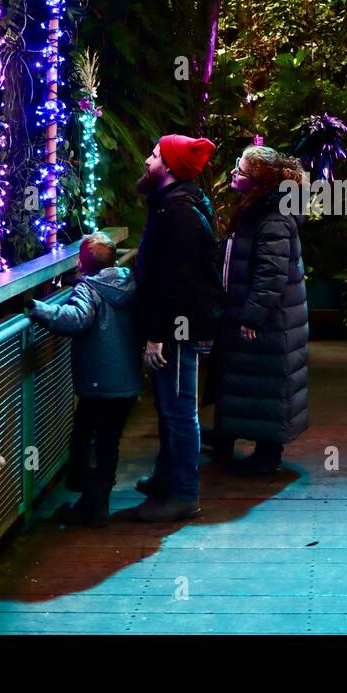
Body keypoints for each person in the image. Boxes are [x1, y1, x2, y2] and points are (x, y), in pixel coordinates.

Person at [131, 134, 224, 522]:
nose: (148, 161)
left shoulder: (179, 213)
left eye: (154, 156)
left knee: (181, 410)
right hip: (178, 325)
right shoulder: (173, 204)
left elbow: (175, 281)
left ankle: (185, 494)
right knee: (171, 407)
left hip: (178, 331)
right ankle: (166, 479)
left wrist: (157, 335)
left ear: (169, 168)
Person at [26, 232, 139, 528]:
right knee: (108, 442)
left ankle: (91, 497)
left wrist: (39, 309)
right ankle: (96, 501)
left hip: (97, 384)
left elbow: (76, 318)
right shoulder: (130, 283)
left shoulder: (88, 289)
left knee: (82, 437)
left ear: (80, 263)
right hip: (125, 381)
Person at [208, 145, 309, 476]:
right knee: (243, 378)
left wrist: (253, 315)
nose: (234, 174)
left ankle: (268, 454)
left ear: (260, 181)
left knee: (266, 383)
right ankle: (228, 437)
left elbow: (271, 272)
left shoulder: (274, 217)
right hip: (250, 311)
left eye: (242, 170)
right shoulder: (256, 207)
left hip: (268, 319)